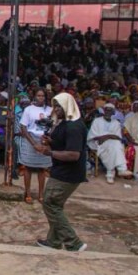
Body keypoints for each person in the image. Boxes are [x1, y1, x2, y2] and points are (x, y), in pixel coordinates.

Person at [33, 93, 89, 252]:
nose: (56, 109)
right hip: (62, 170)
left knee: (50, 204)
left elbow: (73, 154)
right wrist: (51, 141)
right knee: (55, 205)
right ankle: (53, 241)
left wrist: (49, 152)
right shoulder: (66, 123)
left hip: (67, 174)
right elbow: (63, 143)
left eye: (59, 106)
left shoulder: (74, 127)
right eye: (55, 106)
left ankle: (73, 242)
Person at [17, 89, 53, 203]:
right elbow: (23, 128)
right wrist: (33, 143)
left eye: (43, 96)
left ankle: (41, 194)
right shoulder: (28, 109)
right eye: (38, 95)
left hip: (44, 139)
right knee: (28, 167)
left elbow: (54, 125)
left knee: (42, 168)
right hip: (30, 139)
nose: (41, 97)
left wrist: (48, 139)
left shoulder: (50, 110)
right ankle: (28, 194)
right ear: (35, 96)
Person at [87, 103, 132, 184]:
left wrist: (106, 136)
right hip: (98, 143)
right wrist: (110, 136)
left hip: (112, 144)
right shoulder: (97, 121)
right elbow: (93, 136)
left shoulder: (116, 123)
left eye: (110, 111)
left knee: (115, 145)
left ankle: (110, 173)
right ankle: (120, 169)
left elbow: (118, 137)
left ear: (113, 113)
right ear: (104, 111)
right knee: (115, 145)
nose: (108, 112)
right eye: (106, 110)